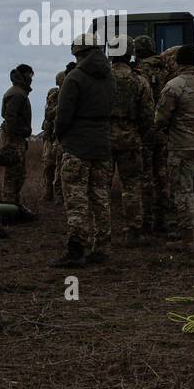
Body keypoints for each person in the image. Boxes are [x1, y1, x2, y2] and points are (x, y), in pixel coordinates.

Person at [51, 32, 114, 267]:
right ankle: (103, 248)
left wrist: (62, 136)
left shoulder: (74, 77)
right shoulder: (110, 76)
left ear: (78, 53)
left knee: (77, 200)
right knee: (101, 198)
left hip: (77, 145)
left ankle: (77, 251)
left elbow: (63, 115)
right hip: (103, 143)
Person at [155, 44, 194, 254]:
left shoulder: (174, 86)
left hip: (181, 146)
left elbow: (161, 119)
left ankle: (188, 240)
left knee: (183, 193)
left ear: (179, 62)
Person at [109, 44, 153, 247]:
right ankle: (133, 232)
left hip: (103, 140)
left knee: (99, 187)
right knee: (131, 186)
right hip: (130, 138)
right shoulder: (139, 81)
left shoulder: (101, 79)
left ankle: (100, 232)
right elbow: (147, 115)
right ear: (130, 55)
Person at [134, 35, 171, 237]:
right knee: (163, 176)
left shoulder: (139, 72)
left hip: (146, 131)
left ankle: (146, 222)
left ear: (137, 51)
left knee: (145, 176)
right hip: (162, 131)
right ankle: (163, 221)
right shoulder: (166, 69)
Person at [0, 64, 37, 219]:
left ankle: (13, 207)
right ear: (24, 75)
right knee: (13, 175)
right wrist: (17, 136)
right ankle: (8, 210)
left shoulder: (17, 92)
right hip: (14, 139)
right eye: (30, 76)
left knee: (18, 174)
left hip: (16, 138)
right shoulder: (17, 94)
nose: (31, 79)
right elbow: (10, 118)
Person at [40, 70, 66, 203]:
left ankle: (59, 196)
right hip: (50, 136)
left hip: (60, 137)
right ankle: (48, 193)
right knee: (48, 166)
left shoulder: (70, 94)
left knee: (60, 167)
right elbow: (48, 115)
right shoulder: (54, 95)